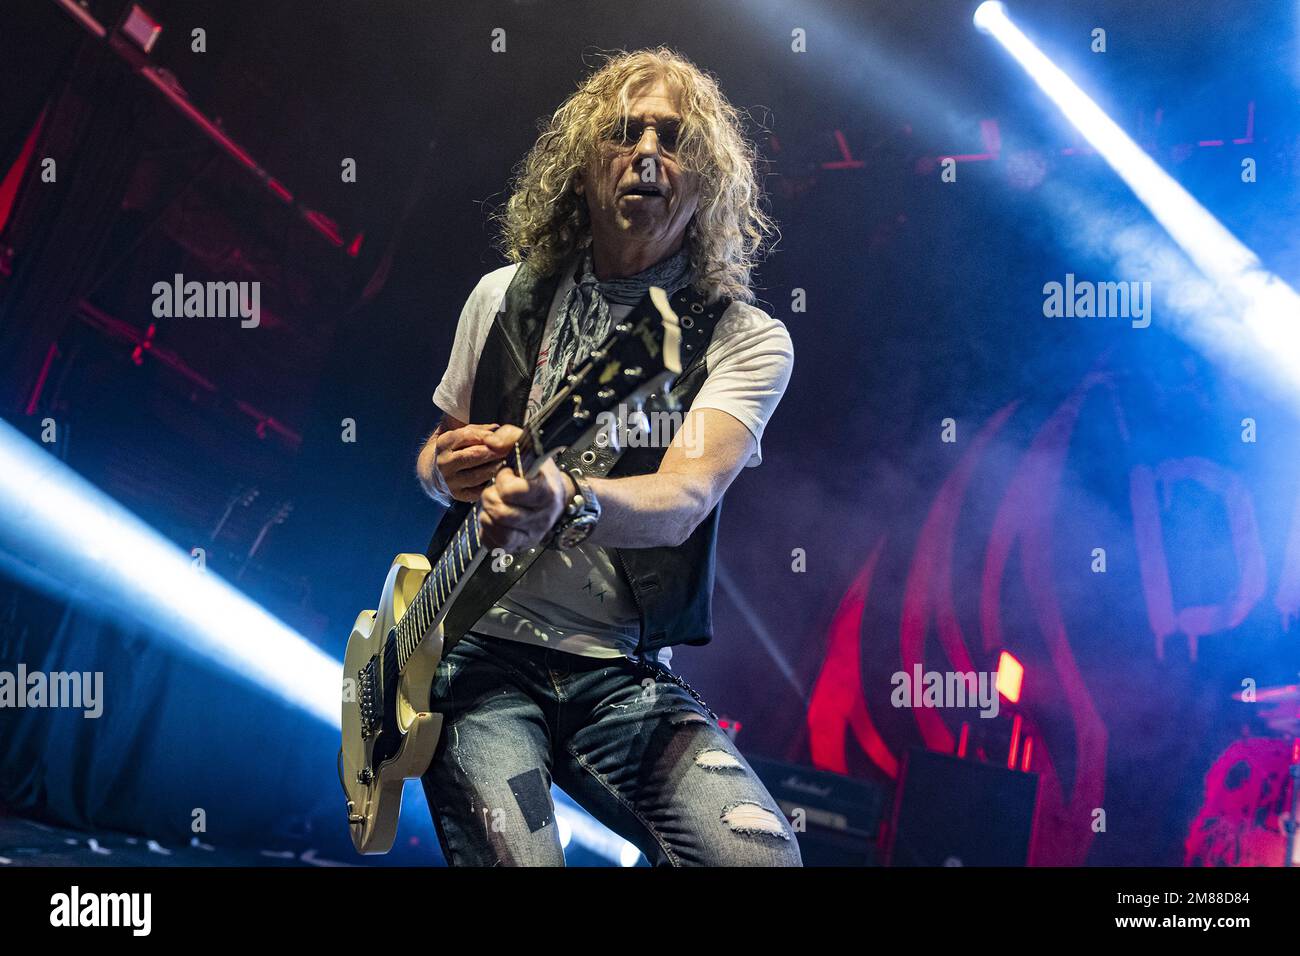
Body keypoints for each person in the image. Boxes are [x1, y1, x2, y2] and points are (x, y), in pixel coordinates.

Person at [414, 47, 799, 866]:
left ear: (708, 181)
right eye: (626, 132)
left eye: (676, 137)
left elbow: (687, 497)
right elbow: (433, 452)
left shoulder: (744, 338)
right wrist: (441, 470)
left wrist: (571, 503)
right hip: (478, 649)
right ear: (584, 168)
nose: (650, 151)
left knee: (760, 859)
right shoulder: (501, 295)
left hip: (616, 675)